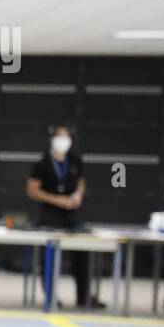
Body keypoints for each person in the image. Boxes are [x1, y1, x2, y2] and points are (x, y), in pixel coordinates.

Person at [26, 123, 102, 309]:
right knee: (49, 257)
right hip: (50, 215)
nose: (64, 141)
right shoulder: (42, 164)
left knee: (82, 253)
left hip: (71, 214)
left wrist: (77, 196)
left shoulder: (75, 162)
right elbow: (33, 190)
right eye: (60, 137)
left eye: (67, 137)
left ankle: (83, 297)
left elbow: (81, 184)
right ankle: (51, 297)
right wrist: (57, 200)